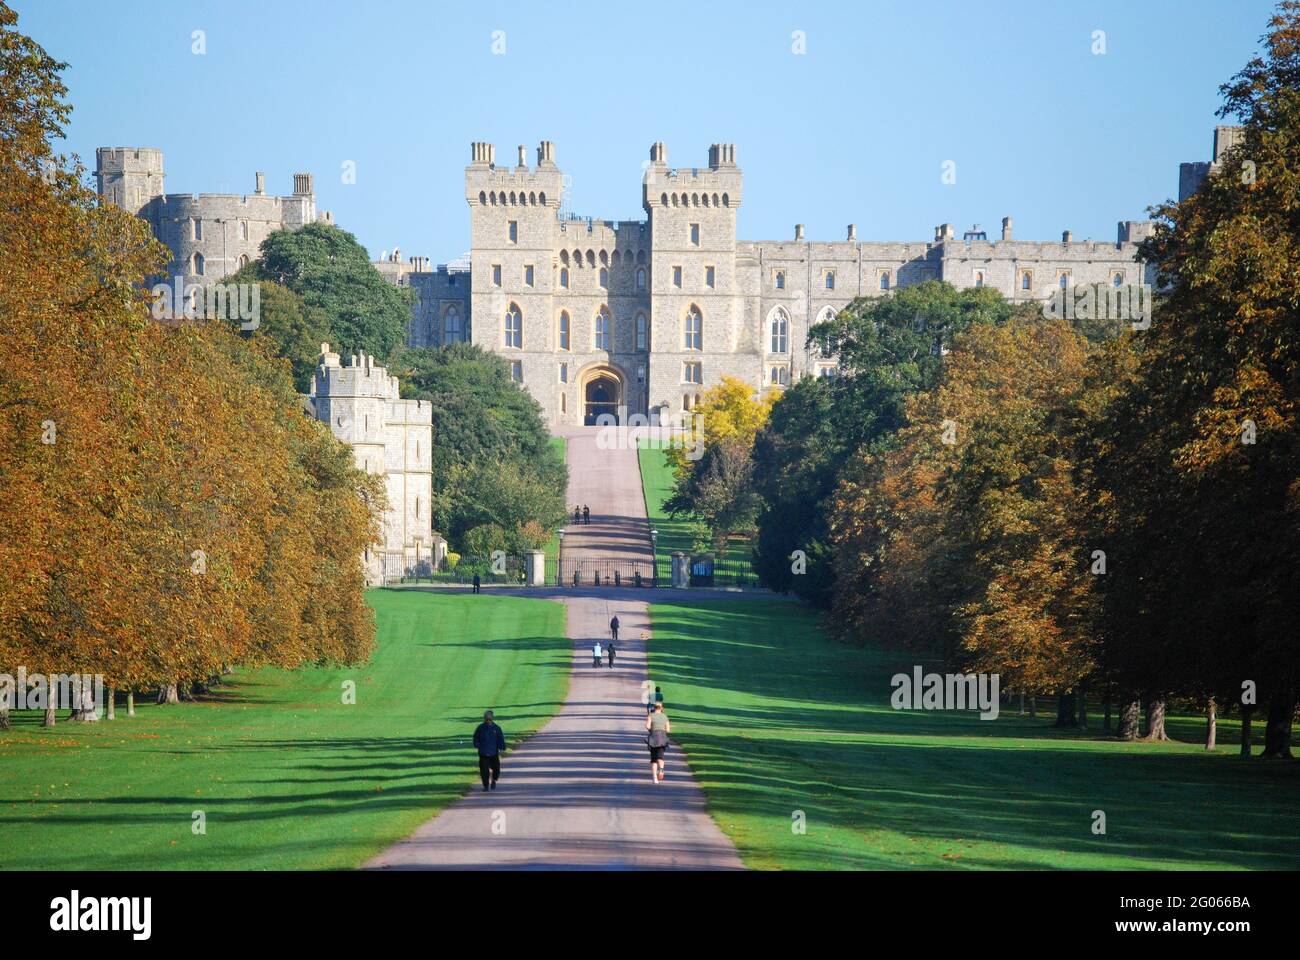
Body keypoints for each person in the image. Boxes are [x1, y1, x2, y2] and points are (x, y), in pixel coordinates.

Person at [473, 710, 506, 792]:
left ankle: (494, 780)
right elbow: (476, 738)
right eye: (487, 719)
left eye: (489, 719)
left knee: (496, 768)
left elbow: (500, 739)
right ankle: (486, 786)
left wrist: (501, 748)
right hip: (483, 753)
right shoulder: (480, 728)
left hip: (494, 753)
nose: (488, 721)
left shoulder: (497, 728)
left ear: (492, 718)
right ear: (484, 719)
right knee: (484, 770)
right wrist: (477, 745)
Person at [645, 702, 670, 783]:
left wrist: (651, 728)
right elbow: (668, 730)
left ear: (654, 708)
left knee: (654, 759)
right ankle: (661, 769)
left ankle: (655, 778)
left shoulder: (651, 715)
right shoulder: (665, 716)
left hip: (653, 737)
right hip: (662, 737)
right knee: (661, 756)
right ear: (661, 708)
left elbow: (647, 726)